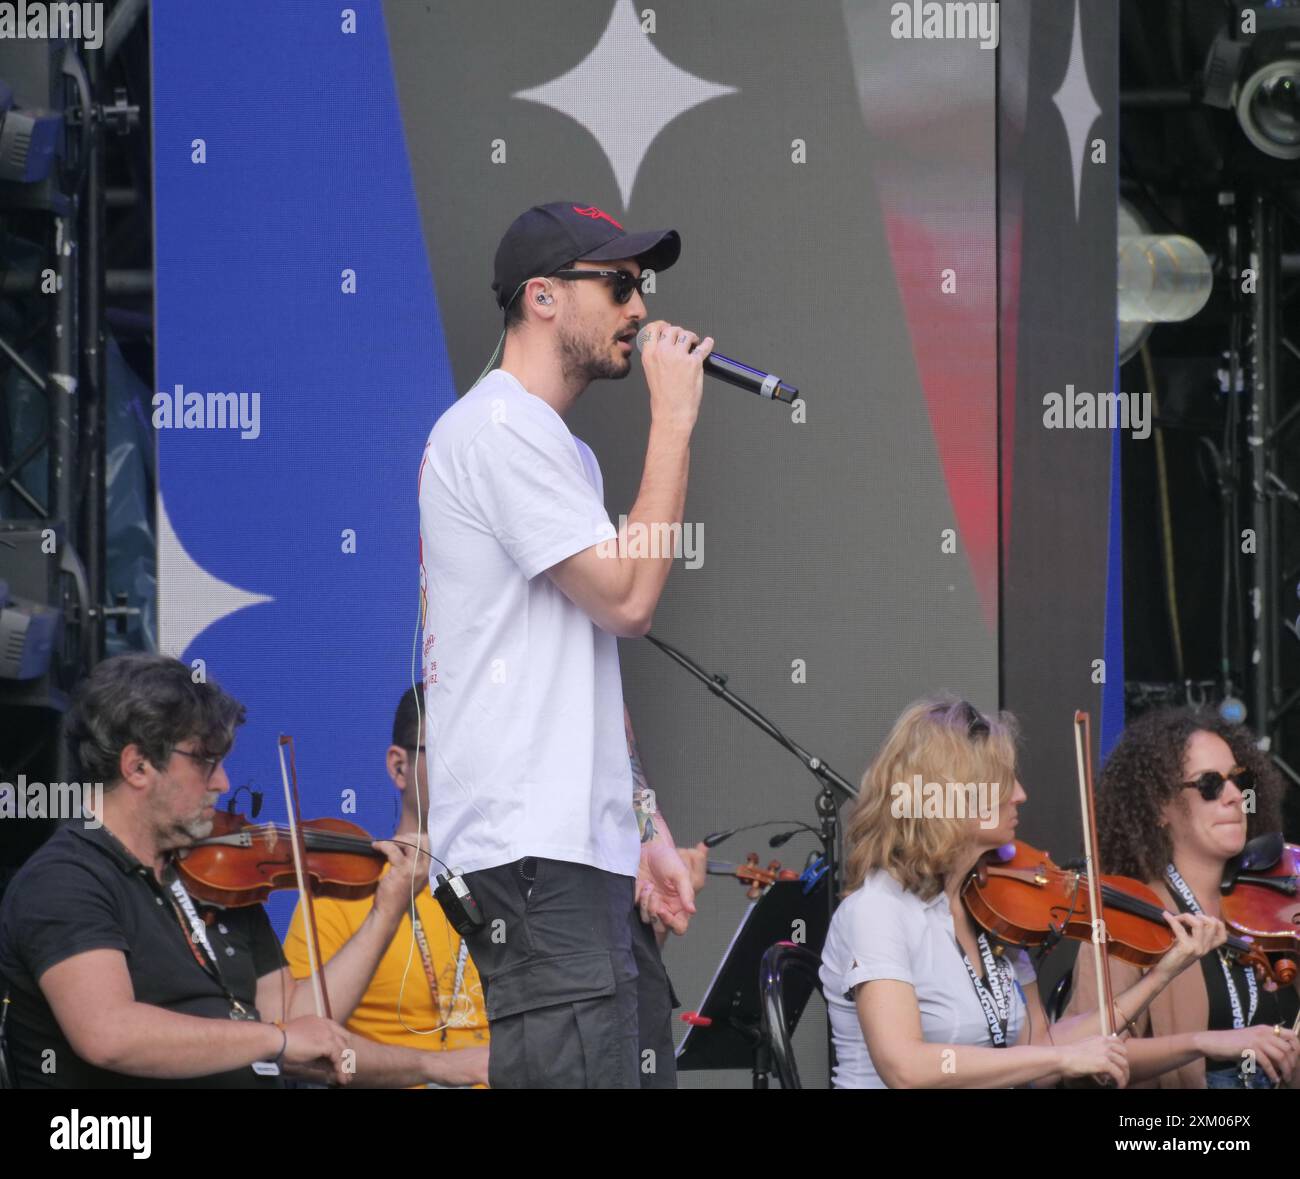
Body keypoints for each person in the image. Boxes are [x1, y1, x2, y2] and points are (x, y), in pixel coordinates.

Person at [417, 200, 712, 1088]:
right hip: (528, 846)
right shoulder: (494, 429)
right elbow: (628, 598)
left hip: (580, 846)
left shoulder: (561, 450)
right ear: (543, 298)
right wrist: (673, 423)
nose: (639, 309)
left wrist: (643, 817)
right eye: (619, 285)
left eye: (642, 286)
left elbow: (587, 653)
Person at [0, 653, 455, 1089]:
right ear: (137, 766)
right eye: (205, 761)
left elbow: (299, 1017)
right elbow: (110, 1033)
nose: (223, 783)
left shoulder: (218, 877)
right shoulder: (65, 881)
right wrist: (272, 1041)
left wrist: (386, 909)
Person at [820, 695, 1225, 1089]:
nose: (1020, 794)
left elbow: (1038, 1053)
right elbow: (906, 1069)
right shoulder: (877, 911)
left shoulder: (993, 907)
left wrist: (1162, 974)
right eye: (1002, 781)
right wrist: (1063, 1057)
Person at [1067, 706, 1300, 1088]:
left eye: (1238, 781)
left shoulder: (1274, 905)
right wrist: (1205, 1044)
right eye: (1209, 784)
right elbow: (1093, 1057)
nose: (1232, 797)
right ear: (1160, 807)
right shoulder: (1127, 915)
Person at [283, 686, 488, 1088]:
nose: (470, 772)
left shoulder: (522, 887)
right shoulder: (341, 890)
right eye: (449, 753)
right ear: (399, 766)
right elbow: (294, 1042)